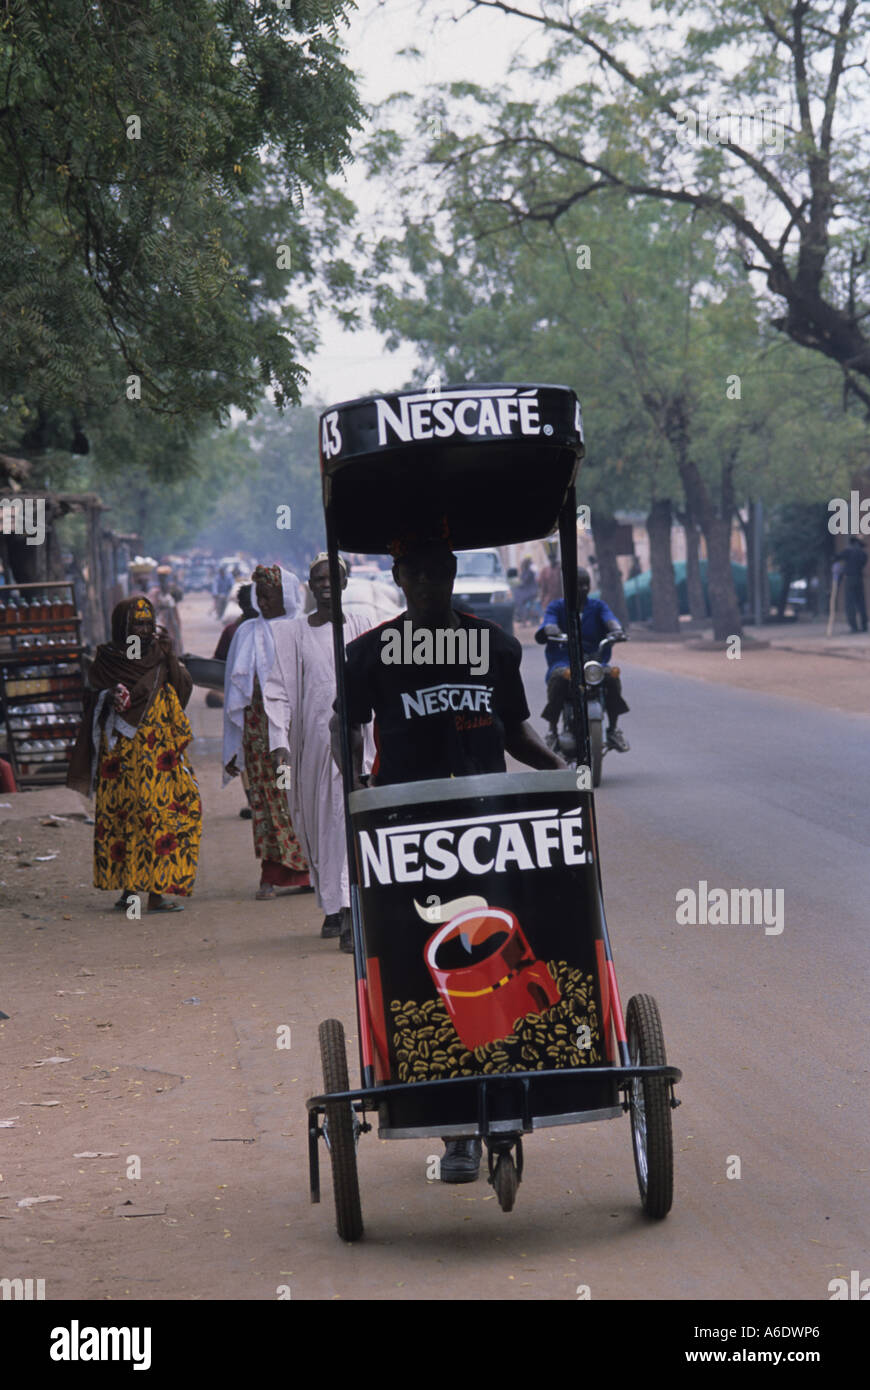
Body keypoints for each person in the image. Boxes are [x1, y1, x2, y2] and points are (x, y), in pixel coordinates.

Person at [332, 526, 565, 1183]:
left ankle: (505, 1111)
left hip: (489, 829)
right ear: (400, 580)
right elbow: (344, 729)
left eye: (441, 572)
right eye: (418, 573)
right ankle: (458, 1131)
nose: (430, 584)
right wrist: (354, 799)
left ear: (454, 575)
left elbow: (514, 732)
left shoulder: (494, 645)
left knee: (503, 963)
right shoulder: (369, 655)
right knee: (429, 975)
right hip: (407, 838)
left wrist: (561, 772)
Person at [262, 554, 375, 945]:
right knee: (319, 826)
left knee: (348, 823)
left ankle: (348, 915)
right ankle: (331, 904)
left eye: (333, 578)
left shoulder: (363, 627)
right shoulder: (292, 635)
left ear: (345, 583)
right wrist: (279, 743)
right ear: (310, 586)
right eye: (317, 579)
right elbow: (276, 691)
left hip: (357, 742)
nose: (326, 584)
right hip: (312, 745)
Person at [67, 595, 202, 912]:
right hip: (121, 758)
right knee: (126, 818)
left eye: (146, 623)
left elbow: (182, 691)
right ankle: (129, 892)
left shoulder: (159, 655)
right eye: (136, 624)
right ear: (121, 627)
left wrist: (171, 657)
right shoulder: (107, 660)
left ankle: (158, 891)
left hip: (160, 754)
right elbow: (90, 699)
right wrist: (108, 695)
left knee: (164, 814)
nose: (142, 631)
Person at [223, 564, 310, 900]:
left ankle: (307, 870)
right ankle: (274, 873)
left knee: (295, 797)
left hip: (295, 732)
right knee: (267, 800)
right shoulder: (247, 633)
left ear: (286, 595)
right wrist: (234, 748)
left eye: (270, 594)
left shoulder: (301, 630)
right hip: (259, 736)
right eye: (259, 595)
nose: (263, 601)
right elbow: (235, 691)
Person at [535, 567, 630, 751]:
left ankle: (613, 729)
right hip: (564, 660)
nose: (583, 588)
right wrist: (552, 630)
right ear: (568, 587)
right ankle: (552, 731)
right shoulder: (556, 607)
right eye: (578, 585)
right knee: (559, 678)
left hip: (594, 661)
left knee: (612, 676)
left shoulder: (598, 606)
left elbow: (610, 620)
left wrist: (616, 631)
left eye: (586, 584)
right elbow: (549, 623)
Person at [148, 565, 183, 653]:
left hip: (171, 618)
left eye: (165, 577)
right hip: (160, 618)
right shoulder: (155, 592)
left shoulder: (172, 589)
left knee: (173, 639)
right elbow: (152, 606)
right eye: (161, 577)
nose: (163, 579)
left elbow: (178, 598)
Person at [837, 537, 868, 633]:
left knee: (850, 604)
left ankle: (854, 627)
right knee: (861, 603)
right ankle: (864, 625)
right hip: (859, 578)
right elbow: (863, 562)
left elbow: (836, 557)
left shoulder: (848, 551)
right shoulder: (863, 554)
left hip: (850, 579)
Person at [513, 554, 539, 623]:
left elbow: (524, 582)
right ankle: (524, 618)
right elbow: (522, 582)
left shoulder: (529, 572)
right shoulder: (526, 572)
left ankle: (524, 619)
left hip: (530, 592)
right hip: (529, 591)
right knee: (520, 600)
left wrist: (517, 584)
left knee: (520, 600)